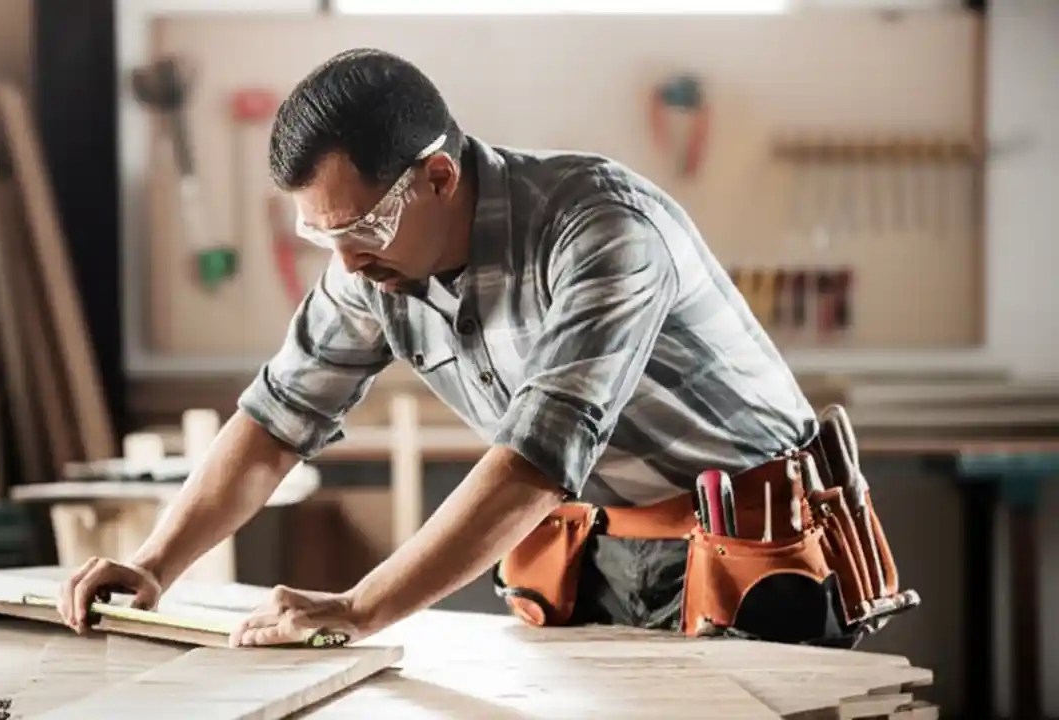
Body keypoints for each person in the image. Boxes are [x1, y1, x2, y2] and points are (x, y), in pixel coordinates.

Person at [57, 48, 861, 648]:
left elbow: (537, 461)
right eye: (319, 234)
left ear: (439, 177)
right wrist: (156, 564)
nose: (344, 264)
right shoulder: (371, 265)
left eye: (362, 228)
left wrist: (358, 607)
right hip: (601, 554)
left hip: (759, 556)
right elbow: (275, 422)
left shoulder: (600, 231)